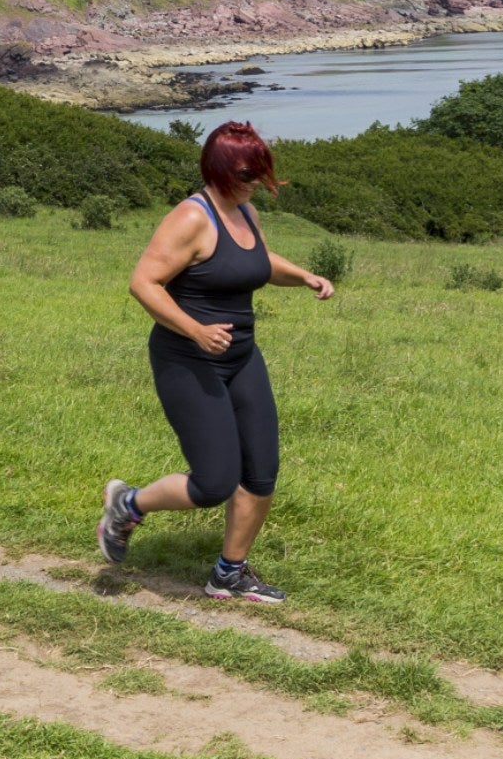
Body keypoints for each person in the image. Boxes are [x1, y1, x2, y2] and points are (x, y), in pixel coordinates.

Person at [96, 121, 334, 603]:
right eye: (247, 174)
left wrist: (305, 276)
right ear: (220, 169)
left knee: (261, 472)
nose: (254, 183)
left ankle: (229, 572)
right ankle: (127, 504)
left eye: (259, 173)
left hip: (241, 356)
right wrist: (196, 330)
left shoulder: (243, 211)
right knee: (213, 482)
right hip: (187, 357)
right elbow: (143, 283)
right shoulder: (191, 218)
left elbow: (260, 262)